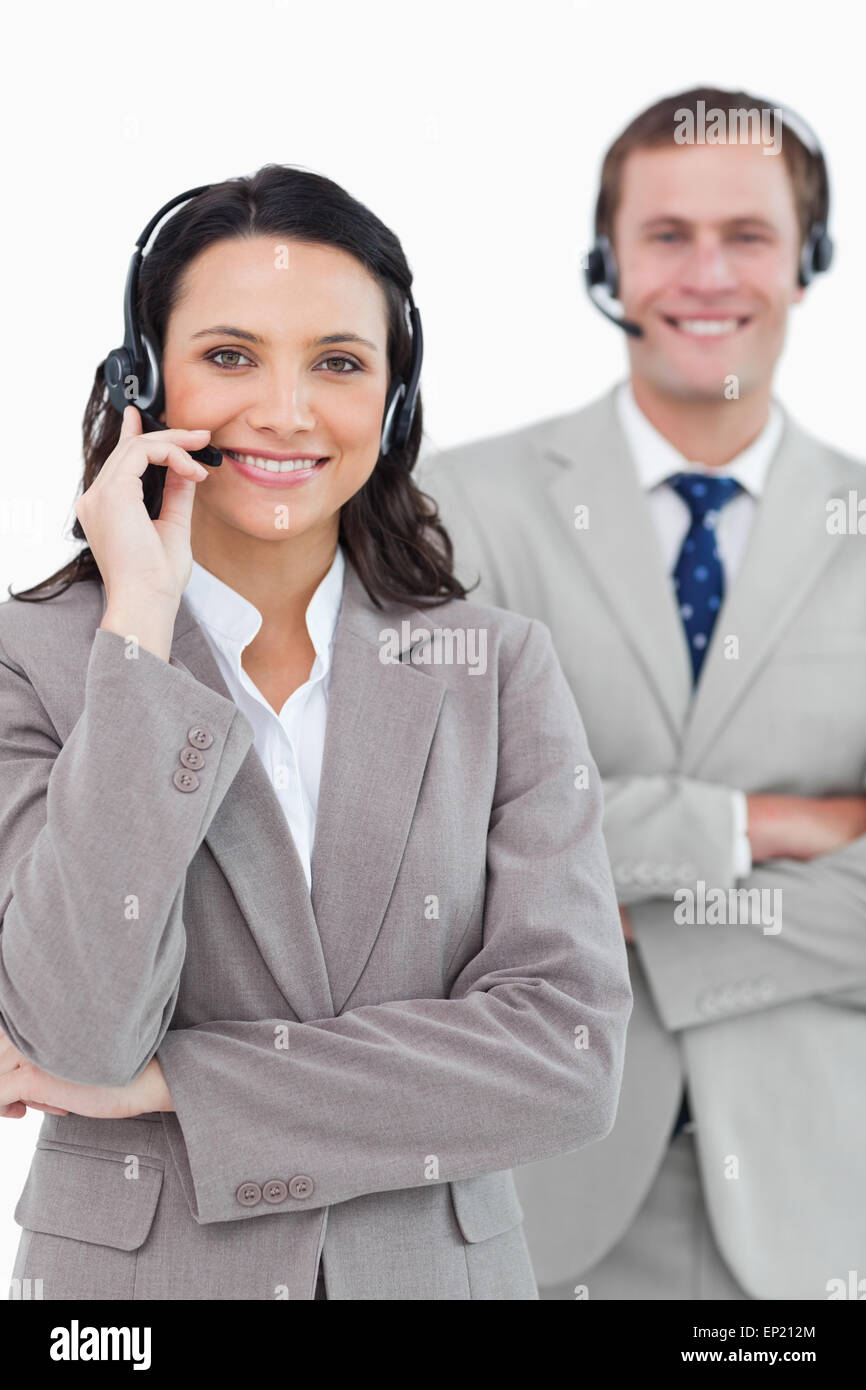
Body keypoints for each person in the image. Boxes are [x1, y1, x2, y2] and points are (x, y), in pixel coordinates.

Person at [0, 166, 632, 1301]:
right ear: (141, 379)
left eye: (337, 362)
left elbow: (565, 1058)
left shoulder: (495, 669)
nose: (284, 412)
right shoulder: (33, 659)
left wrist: (178, 1085)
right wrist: (138, 631)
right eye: (230, 356)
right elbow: (81, 1032)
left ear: (392, 400)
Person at [420, 88, 866, 1301]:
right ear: (604, 262)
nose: (705, 274)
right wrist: (755, 828)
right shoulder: (463, 506)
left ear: (807, 263)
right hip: (525, 1197)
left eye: (748, 235)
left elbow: (530, 863)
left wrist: (613, 923)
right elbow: (434, 834)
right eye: (666, 234)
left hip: (815, 1212)